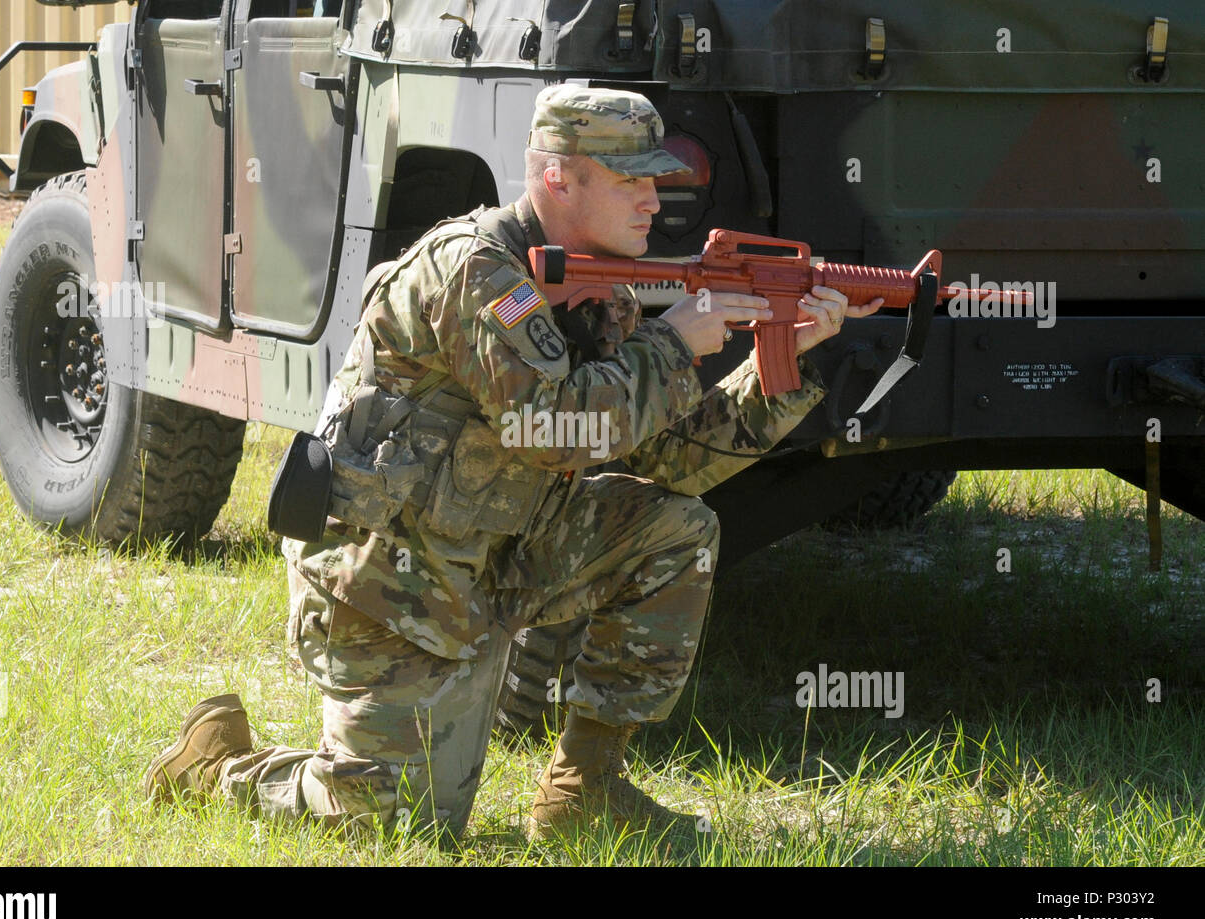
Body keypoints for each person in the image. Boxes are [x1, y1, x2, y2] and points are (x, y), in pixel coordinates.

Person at [144, 84, 882, 841]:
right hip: (391, 583)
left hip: (494, 554)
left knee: (674, 530)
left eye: (657, 180)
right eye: (631, 179)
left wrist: (782, 366)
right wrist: (672, 346)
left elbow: (666, 458)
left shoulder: (600, 289)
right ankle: (215, 767)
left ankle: (584, 793)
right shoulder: (475, 272)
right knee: (397, 823)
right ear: (558, 176)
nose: (654, 202)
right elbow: (550, 426)